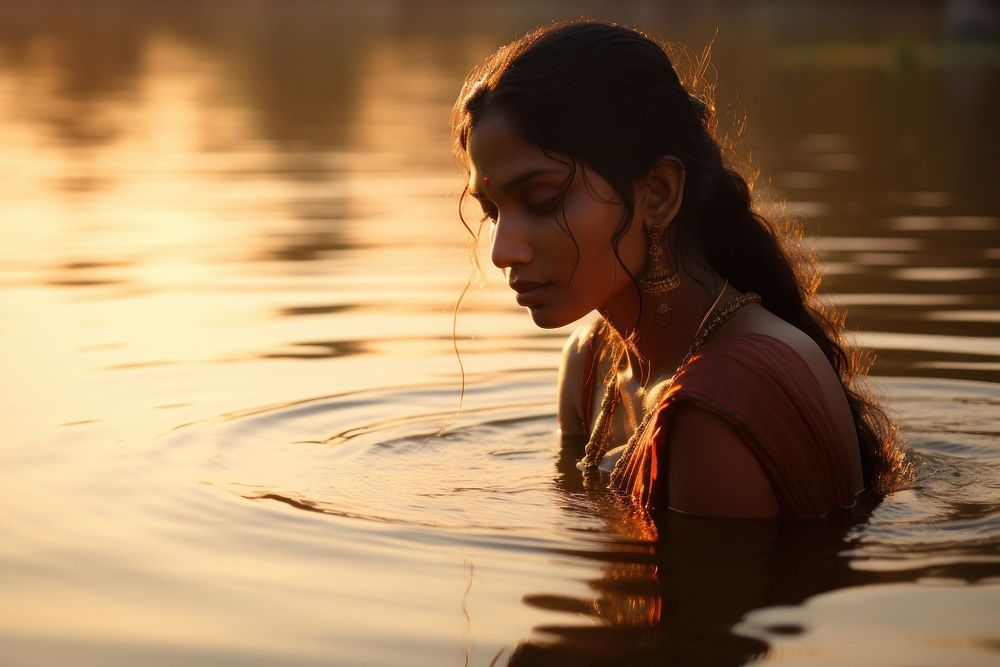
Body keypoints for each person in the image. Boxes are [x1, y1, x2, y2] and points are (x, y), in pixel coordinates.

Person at [450, 21, 909, 519]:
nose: (502, 251)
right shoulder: (590, 365)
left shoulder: (707, 415)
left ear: (658, 193)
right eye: (492, 212)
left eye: (542, 200)